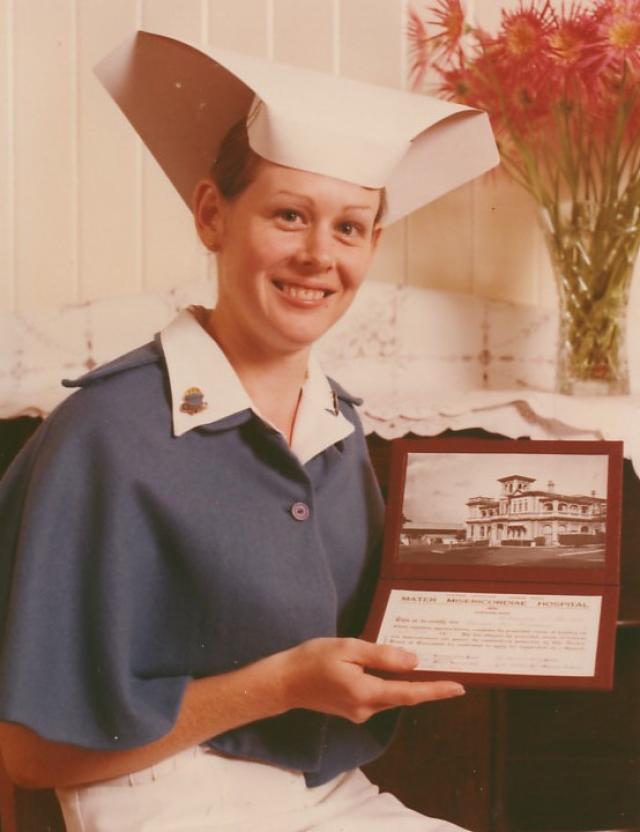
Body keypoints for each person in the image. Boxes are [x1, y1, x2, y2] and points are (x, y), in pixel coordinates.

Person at [0, 32, 498, 831]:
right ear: (211, 214)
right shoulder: (105, 434)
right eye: (290, 215)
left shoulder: (337, 428)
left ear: (373, 244)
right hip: (161, 803)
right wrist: (281, 685)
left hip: (329, 796)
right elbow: (26, 755)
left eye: (349, 228)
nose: (317, 256)